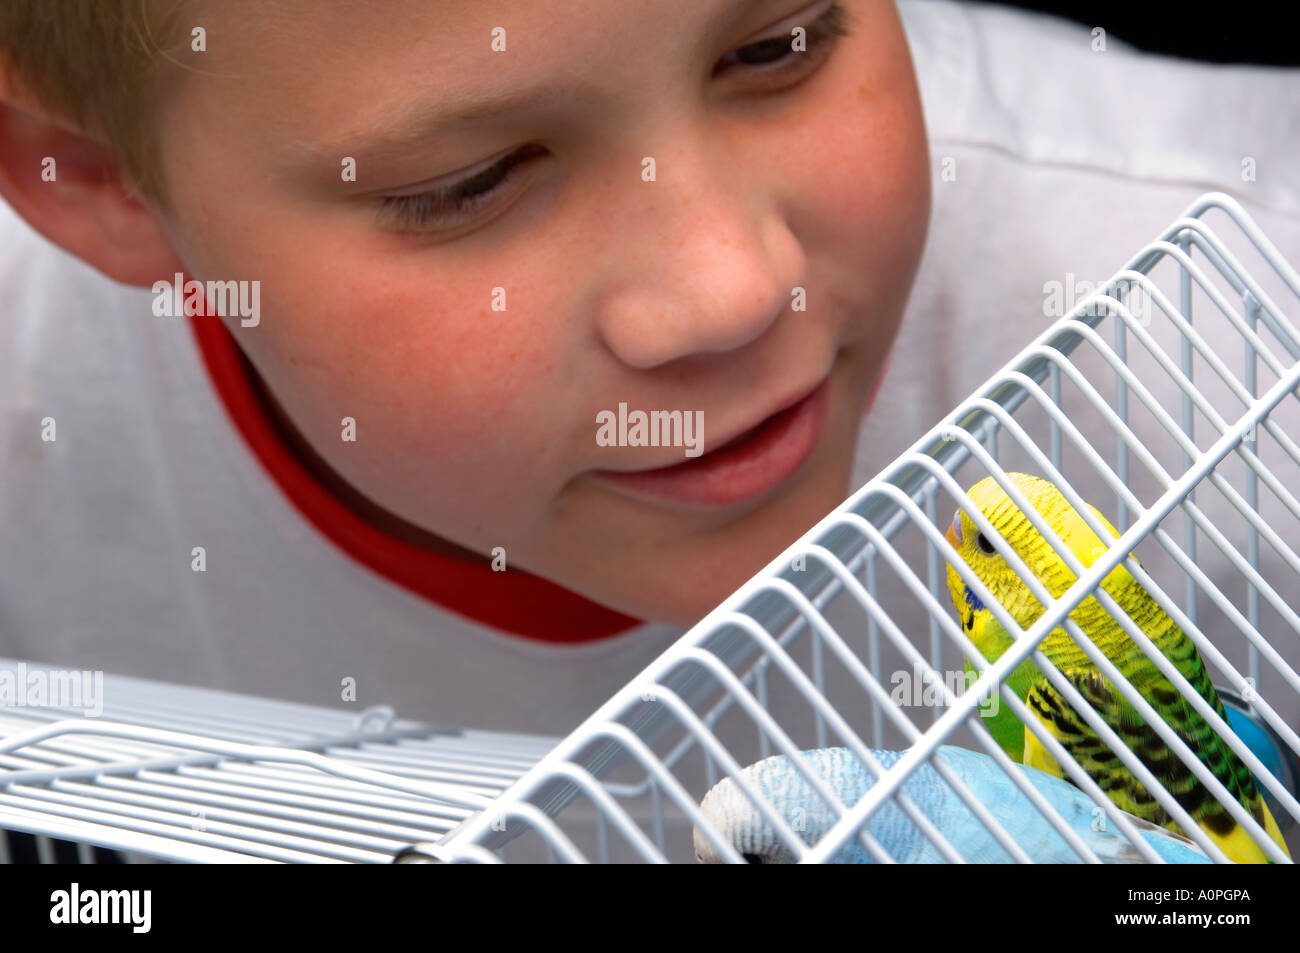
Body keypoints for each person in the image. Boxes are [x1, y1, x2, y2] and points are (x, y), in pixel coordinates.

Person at [0, 0, 1295, 755]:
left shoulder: (1251, 317)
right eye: (470, 184)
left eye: (783, 47)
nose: (729, 288)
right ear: (93, 180)